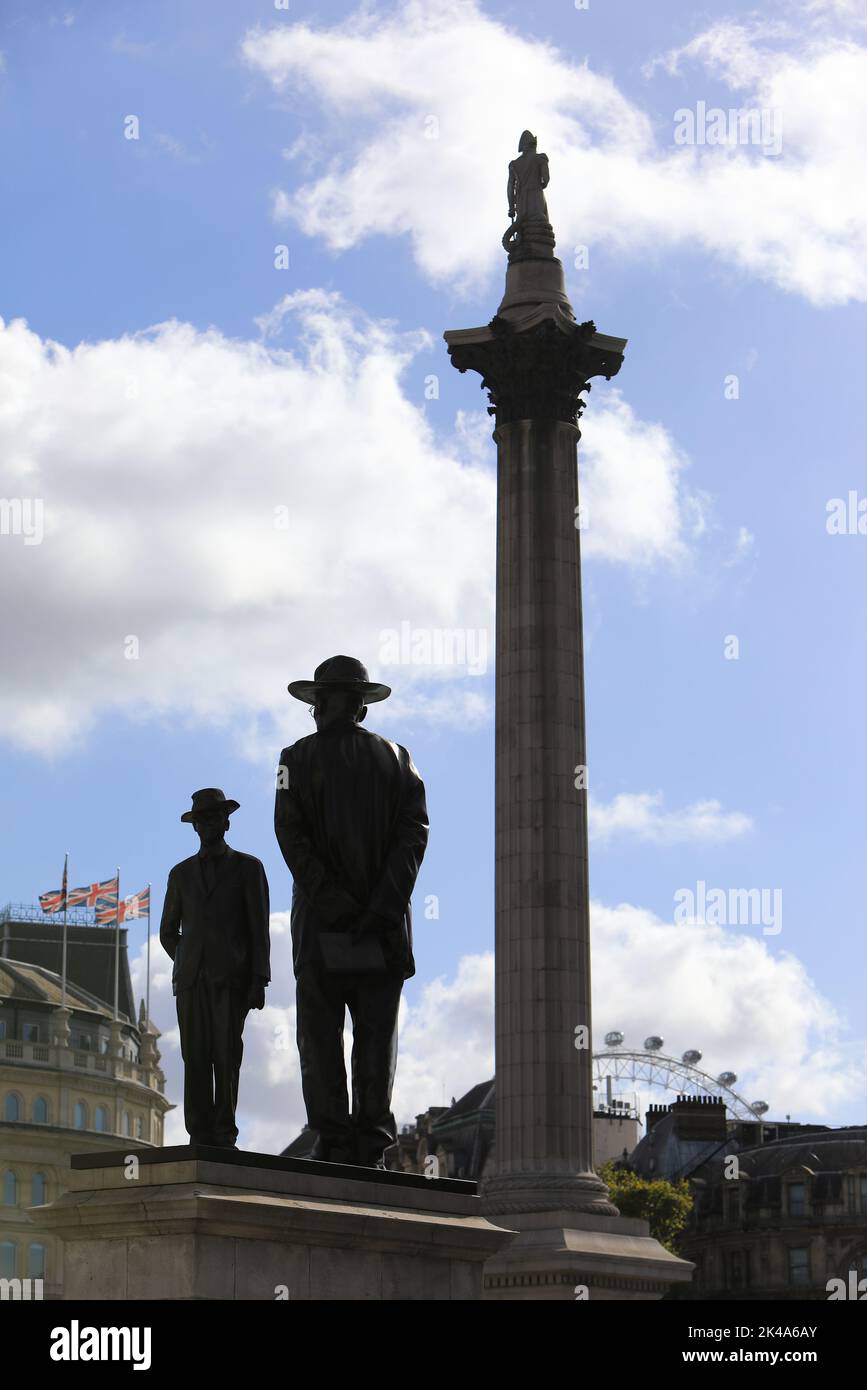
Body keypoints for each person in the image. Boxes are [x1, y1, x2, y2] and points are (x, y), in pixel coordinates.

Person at [275, 655, 429, 1167]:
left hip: (321, 929)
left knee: (319, 1039)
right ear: (361, 708)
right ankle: (372, 1143)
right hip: (384, 931)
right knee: (376, 1041)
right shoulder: (399, 760)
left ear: (322, 704)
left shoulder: (291, 759)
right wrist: (380, 906)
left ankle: (333, 1139)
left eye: (317, 703)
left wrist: (333, 902)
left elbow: (290, 836)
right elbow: (414, 837)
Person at [159, 788, 270, 1147]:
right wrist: (189, 958)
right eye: (201, 820)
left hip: (231, 977)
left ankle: (224, 1132)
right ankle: (199, 1133)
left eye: (213, 818)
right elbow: (166, 931)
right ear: (195, 827)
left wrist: (257, 979)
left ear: (226, 821)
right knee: (195, 1056)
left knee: (226, 1056)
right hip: (191, 979)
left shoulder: (248, 868)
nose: (208, 825)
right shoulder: (180, 874)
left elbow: (259, 928)